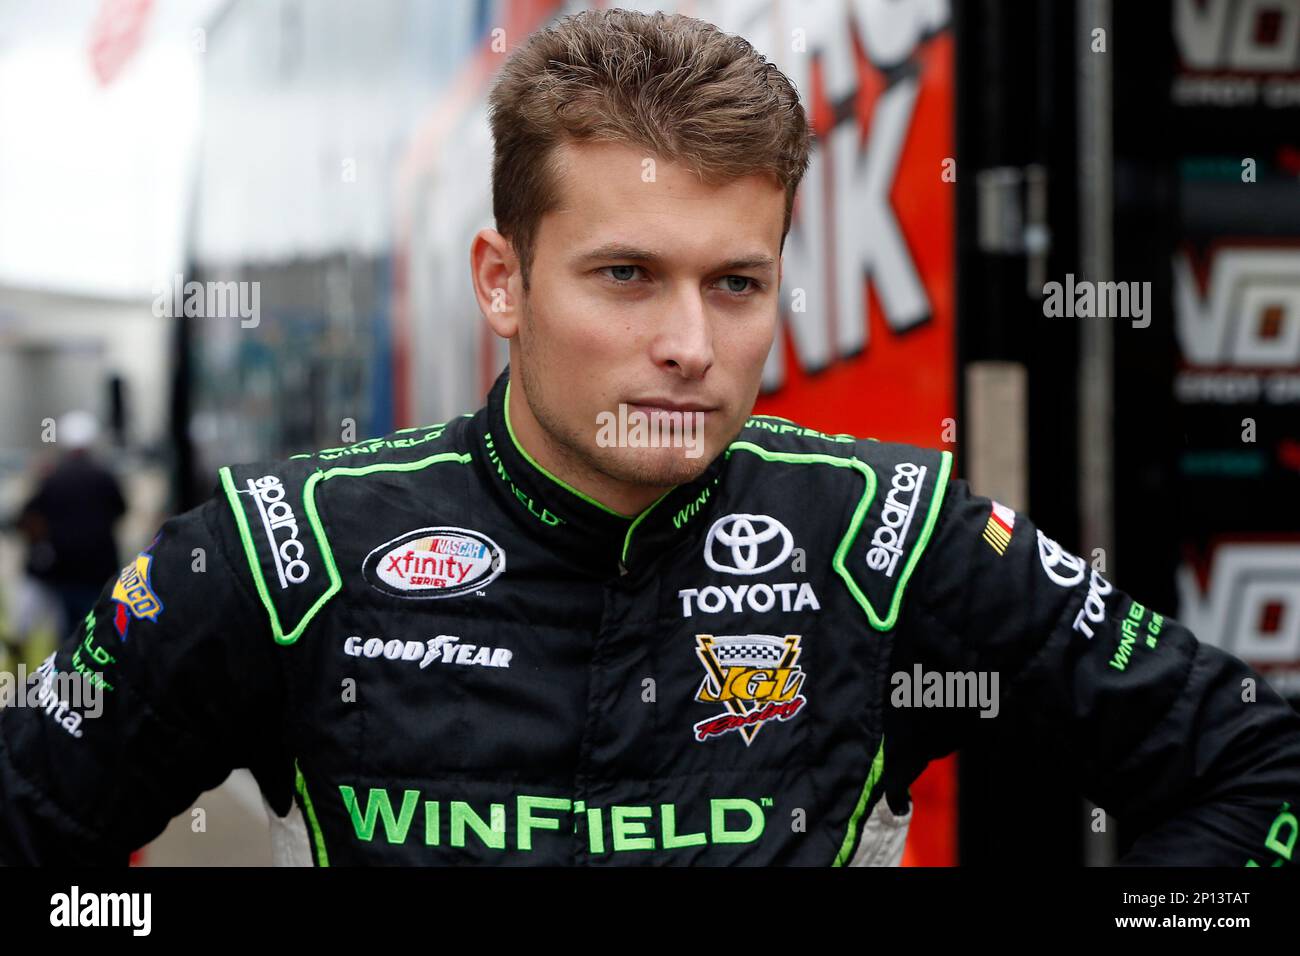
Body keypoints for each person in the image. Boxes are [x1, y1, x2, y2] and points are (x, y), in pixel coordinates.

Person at [2, 8, 1298, 867]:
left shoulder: (889, 535)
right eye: (626, 276)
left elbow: (1260, 771)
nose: (691, 342)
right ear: (502, 281)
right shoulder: (287, 548)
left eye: (735, 283)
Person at [12, 411, 127, 643]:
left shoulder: (53, 478)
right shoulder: (104, 477)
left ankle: (69, 675)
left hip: (65, 569)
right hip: (99, 567)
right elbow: (121, 510)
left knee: (68, 632)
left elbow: (27, 517)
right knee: (96, 626)